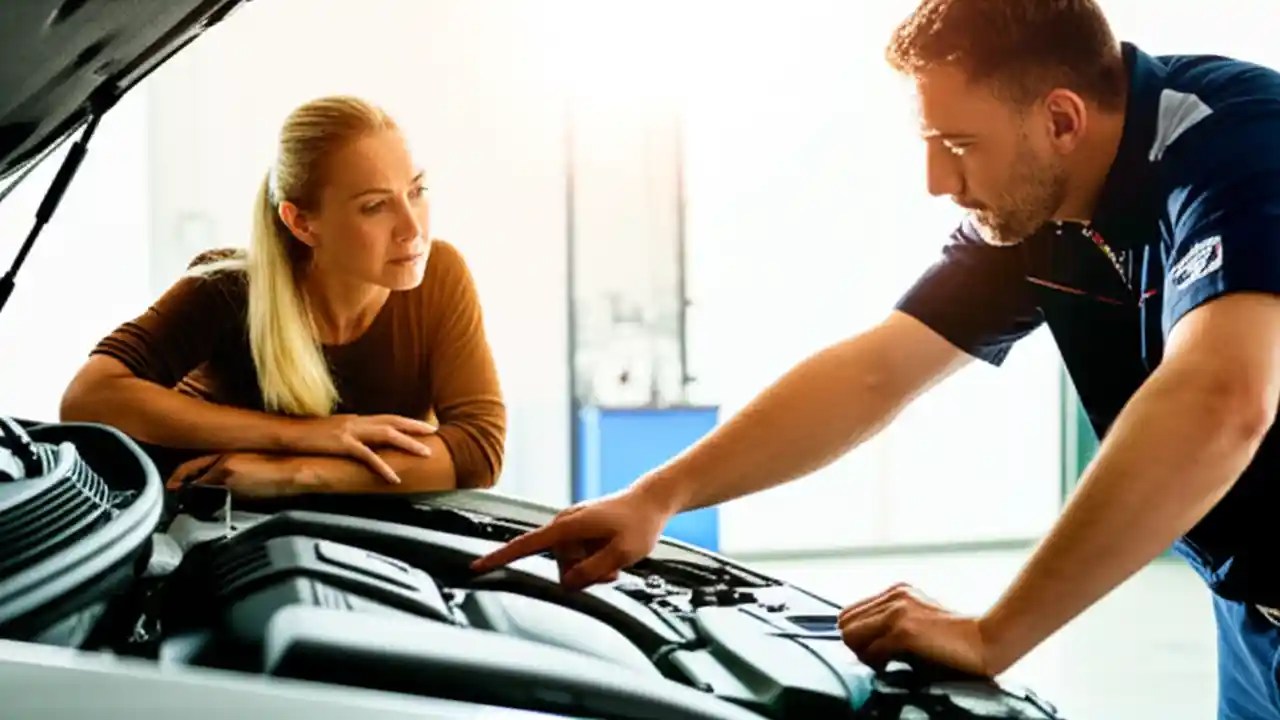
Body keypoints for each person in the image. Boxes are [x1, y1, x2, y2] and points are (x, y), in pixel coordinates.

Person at [473, 2, 1280, 716]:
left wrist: (996, 634)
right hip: (1250, 618)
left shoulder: (1237, 145)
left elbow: (1222, 399)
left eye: (959, 144)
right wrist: (659, 495)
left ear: (1062, 121)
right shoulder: (1042, 204)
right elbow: (877, 371)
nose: (938, 181)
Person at [61, 95, 506, 498]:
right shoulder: (228, 287)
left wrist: (294, 475)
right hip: (204, 519)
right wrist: (301, 435)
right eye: (375, 205)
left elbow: (478, 450)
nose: (413, 229)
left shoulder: (440, 276)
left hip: (328, 522)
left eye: (417, 191)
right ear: (302, 223)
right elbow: (88, 398)